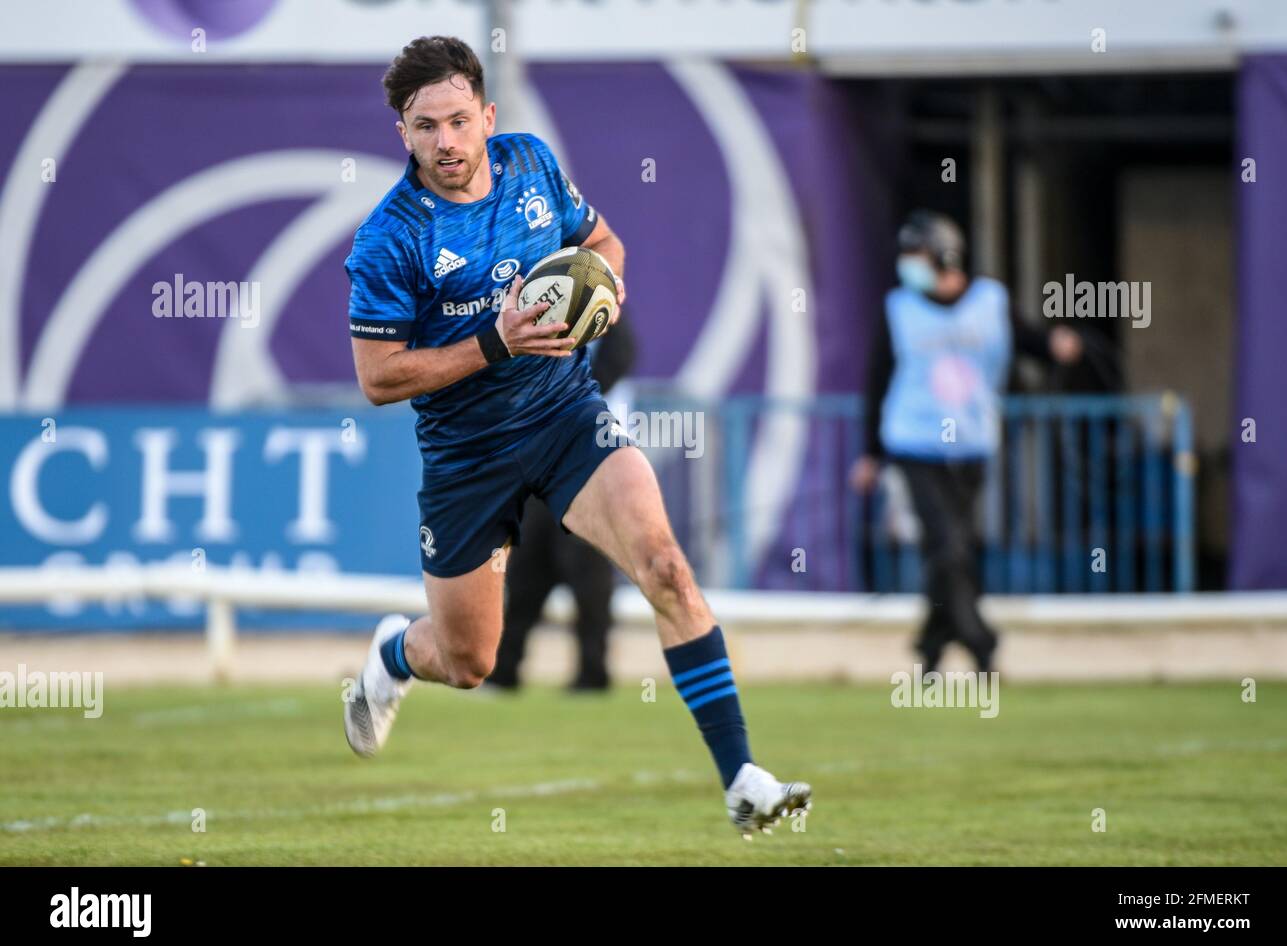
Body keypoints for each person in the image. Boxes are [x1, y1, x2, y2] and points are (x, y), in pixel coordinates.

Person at [341, 36, 809, 836]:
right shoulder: (390, 238)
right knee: (469, 661)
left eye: (459, 120)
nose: (446, 142)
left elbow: (601, 245)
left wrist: (605, 291)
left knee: (665, 566)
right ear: (403, 134)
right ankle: (390, 657)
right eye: (426, 127)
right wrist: (499, 340)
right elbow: (379, 377)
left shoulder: (530, 164)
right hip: (467, 456)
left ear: (487, 116)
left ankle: (742, 778)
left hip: (566, 417)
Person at [850, 210, 1083, 676]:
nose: (910, 266)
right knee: (947, 544)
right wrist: (872, 453)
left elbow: (1025, 340)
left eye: (918, 256)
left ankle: (932, 646)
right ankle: (981, 641)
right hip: (914, 443)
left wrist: (1055, 343)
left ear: (945, 257)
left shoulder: (989, 301)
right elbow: (878, 381)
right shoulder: (898, 308)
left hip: (972, 443)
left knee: (951, 551)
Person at [485, 311, 637, 693]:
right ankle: (504, 672)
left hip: (592, 469)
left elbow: (617, 361)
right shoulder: (543, 334)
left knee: (589, 581)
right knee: (525, 578)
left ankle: (592, 674)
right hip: (544, 470)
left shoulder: (611, 331)